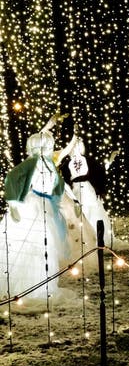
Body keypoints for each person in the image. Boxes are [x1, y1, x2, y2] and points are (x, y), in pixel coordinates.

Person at [0, 128, 73, 309]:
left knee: (46, 247)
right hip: (32, 206)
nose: (50, 148)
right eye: (48, 146)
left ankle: (42, 285)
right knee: (31, 246)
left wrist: (72, 202)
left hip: (46, 206)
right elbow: (12, 177)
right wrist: (13, 203)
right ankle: (26, 287)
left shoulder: (49, 165)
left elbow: (58, 185)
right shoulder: (32, 163)